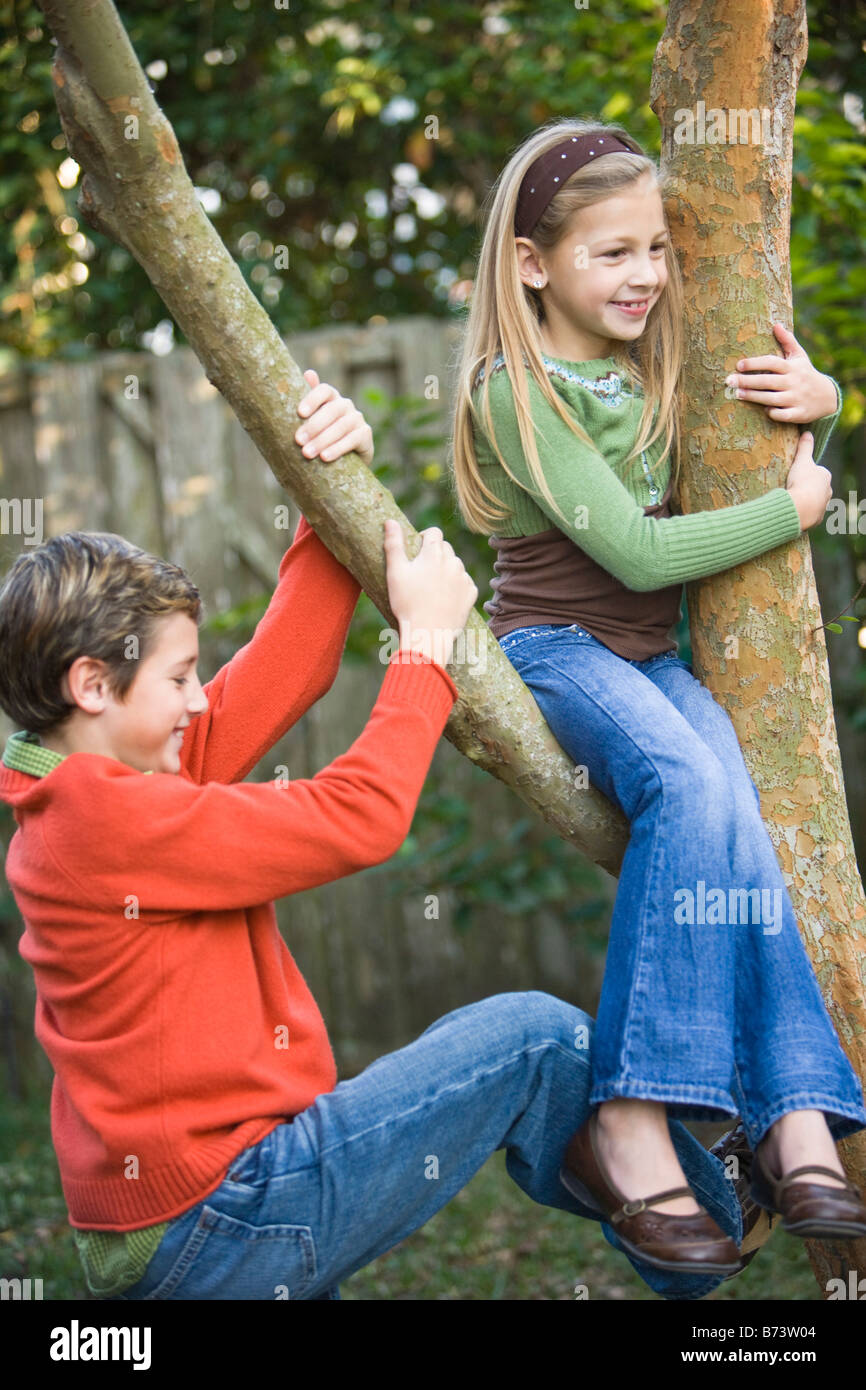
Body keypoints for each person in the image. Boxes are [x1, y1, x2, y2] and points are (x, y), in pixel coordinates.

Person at [0, 369, 751, 1302]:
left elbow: (285, 670)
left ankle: (673, 1202)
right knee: (533, 1040)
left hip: (207, 1217)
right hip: (222, 1217)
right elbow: (359, 817)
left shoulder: (103, 781)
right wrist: (425, 650)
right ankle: (723, 1215)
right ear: (91, 686)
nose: (203, 700)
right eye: (182, 678)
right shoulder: (107, 819)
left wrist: (331, 491)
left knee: (533, 1050)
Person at [449, 117, 866, 1275]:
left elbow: (754, 428)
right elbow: (635, 553)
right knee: (689, 781)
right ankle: (629, 1111)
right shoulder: (512, 392)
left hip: (652, 664)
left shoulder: (653, 363)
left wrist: (821, 398)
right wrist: (787, 514)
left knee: (736, 818)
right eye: (609, 253)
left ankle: (789, 1117)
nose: (642, 276)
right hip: (559, 649)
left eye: (654, 252)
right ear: (531, 264)